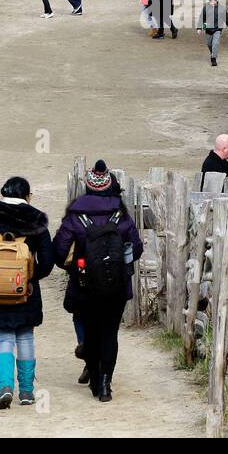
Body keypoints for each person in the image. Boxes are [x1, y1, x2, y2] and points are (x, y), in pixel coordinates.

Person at [54, 160, 143, 401]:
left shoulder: (76, 215)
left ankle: (94, 378)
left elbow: (60, 250)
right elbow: (136, 248)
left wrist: (73, 267)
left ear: (89, 187)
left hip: (84, 284)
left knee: (91, 333)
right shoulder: (120, 214)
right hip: (116, 286)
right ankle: (105, 384)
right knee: (110, 334)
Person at [0, 176, 55, 409]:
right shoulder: (37, 219)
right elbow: (48, 260)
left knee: (3, 338)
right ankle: (27, 391)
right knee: (26, 336)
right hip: (26, 289)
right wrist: (32, 276)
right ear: (27, 196)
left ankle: (5, 387)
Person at [201, 0, 228, 67]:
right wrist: (202, 28)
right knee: (209, 44)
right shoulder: (206, 8)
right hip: (208, 30)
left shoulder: (221, 9)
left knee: (215, 43)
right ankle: (213, 53)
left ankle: (213, 59)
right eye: (211, 1)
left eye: (214, 1)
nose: (212, 3)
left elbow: (226, 18)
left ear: (216, 0)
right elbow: (203, 18)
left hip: (217, 29)